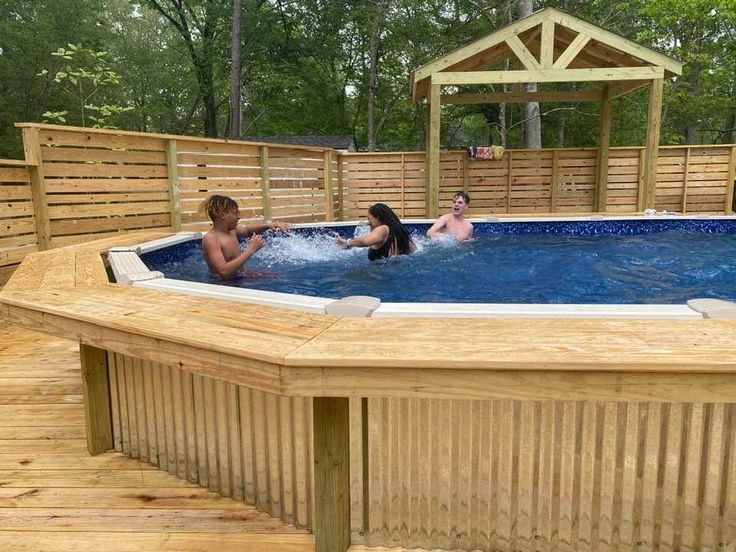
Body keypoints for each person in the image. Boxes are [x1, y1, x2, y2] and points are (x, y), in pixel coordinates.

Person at [199, 195, 290, 278]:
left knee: (277, 276)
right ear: (222, 215)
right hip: (224, 283)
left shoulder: (232, 231)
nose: (239, 217)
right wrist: (251, 250)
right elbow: (223, 271)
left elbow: (248, 230)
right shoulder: (211, 239)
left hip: (239, 275)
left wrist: (269, 225)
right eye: (235, 213)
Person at [336, 203, 416, 260]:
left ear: (377, 218)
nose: (368, 222)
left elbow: (365, 242)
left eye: (369, 219)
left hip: (379, 276)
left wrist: (347, 242)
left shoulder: (383, 229)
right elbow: (414, 252)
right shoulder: (401, 233)